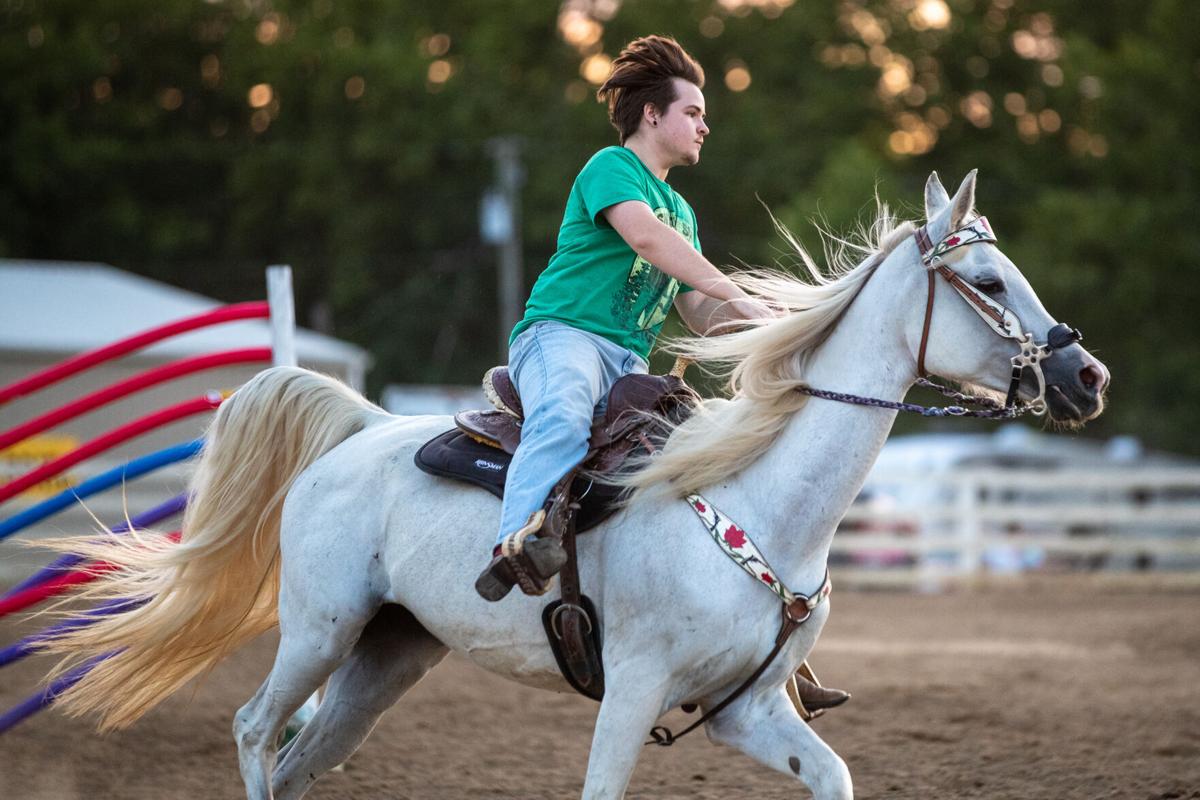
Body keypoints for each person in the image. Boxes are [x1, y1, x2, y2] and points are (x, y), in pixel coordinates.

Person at [473, 33, 849, 713]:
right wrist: (736, 292)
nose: (705, 124)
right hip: (563, 337)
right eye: (695, 112)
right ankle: (514, 547)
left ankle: (780, 657)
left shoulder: (684, 212)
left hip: (628, 363)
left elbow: (698, 310)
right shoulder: (612, 168)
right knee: (561, 411)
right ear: (653, 115)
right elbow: (647, 242)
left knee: (713, 467)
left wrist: (772, 331)